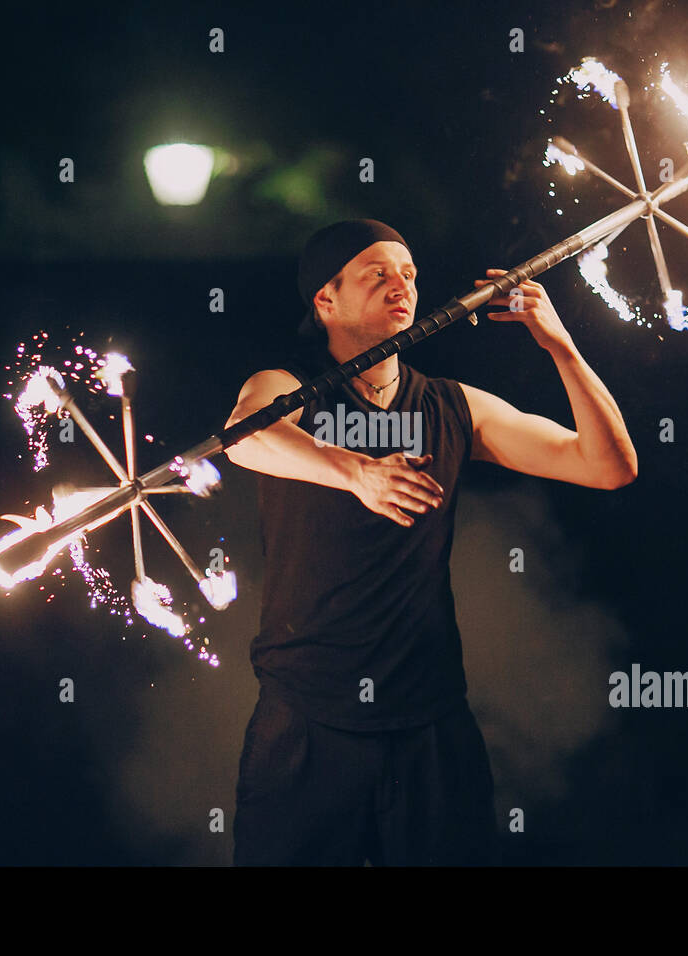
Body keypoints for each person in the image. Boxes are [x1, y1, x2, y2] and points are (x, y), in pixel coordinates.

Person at [223, 219, 637, 865]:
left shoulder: (451, 406)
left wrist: (560, 347)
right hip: (307, 724)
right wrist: (354, 471)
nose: (403, 285)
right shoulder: (288, 386)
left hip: (431, 725)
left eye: (410, 273)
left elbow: (607, 465)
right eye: (377, 273)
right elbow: (245, 435)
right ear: (324, 301)